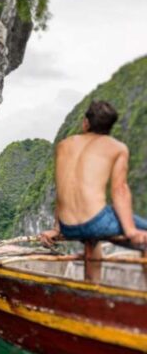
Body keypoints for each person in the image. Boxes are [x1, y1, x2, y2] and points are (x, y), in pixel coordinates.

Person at [39, 101, 147, 280]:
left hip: (68, 226)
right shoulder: (117, 148)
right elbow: (119, 190)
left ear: (85, 122)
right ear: (110, 126)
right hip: (96, 222)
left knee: (92, 238)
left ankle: (92, 287)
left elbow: (61, 190)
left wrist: (56, 229)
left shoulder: (64, 145)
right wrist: (130, 231)